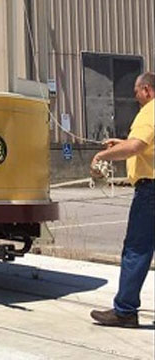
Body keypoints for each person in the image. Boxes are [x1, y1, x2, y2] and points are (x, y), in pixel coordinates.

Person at [89, 71, 154, 328]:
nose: (135, 96)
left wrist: (102, 157)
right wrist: (122, 143)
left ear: (147, 90)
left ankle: (125, 310)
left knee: (136, 250)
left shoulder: (148, 112)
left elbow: (136, 147)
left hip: (150, 191)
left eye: (137, 91)